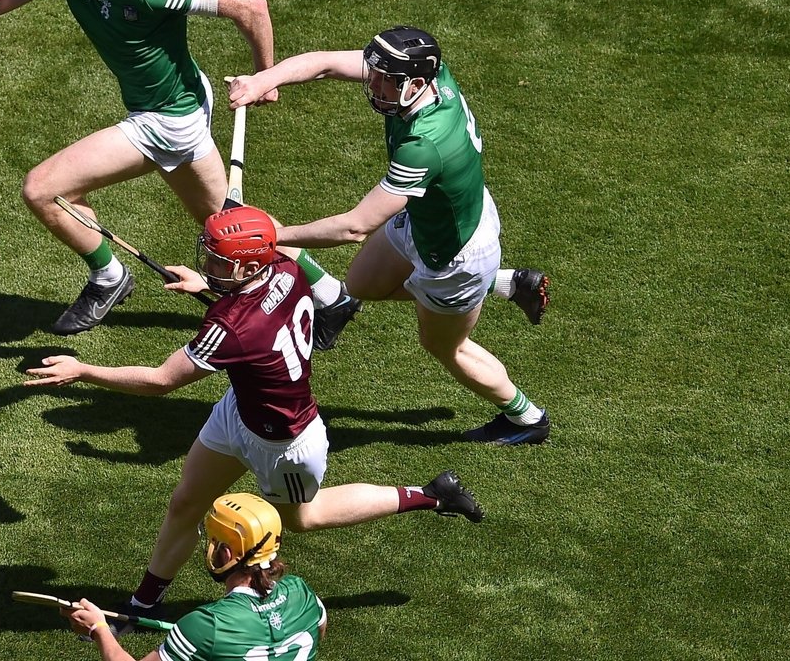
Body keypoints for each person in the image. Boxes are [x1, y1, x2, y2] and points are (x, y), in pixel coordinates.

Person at [0, 0, 359, 343]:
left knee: (43, 189)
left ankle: (108, 277)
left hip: (169, 120)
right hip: (175, 104)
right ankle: (332, 295)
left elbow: (250, 5)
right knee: (226, 223)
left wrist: (265, 76)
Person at [26, 206, 481, 628]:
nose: (209, 267)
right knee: (186, 502)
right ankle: (142, 603)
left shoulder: (229, 329)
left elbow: (162, 380)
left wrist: (82, 369)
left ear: (249, 266)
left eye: (219, 264)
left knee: (305, 517)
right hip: (238, 412)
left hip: (286, 444)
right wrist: (208, 286)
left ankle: (429, 494)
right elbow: (266, 301)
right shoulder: (287, 264)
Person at [226, 26, 552, 445]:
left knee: (445, 346)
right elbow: (325, 63)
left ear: (416, 83)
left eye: (386, 80)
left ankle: (527, 418)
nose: (374, 84)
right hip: (432, 215)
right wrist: (262, 80)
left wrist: (273, 235)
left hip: (455, 253)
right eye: (376, 74)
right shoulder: (432, 77)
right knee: (360, 285)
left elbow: (354, 226)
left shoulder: (424, 144)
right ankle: (506, 284)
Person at [64, 494, 345, 661]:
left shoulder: (207, 626)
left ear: (226, 552)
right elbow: (320, 626)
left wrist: (98, 628)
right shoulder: (300, 592)